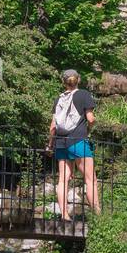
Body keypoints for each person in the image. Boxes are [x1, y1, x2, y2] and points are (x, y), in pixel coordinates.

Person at [47, 69, 100, 220]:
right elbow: (90, 119)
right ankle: (98, 216)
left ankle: (64, 215)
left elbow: (53, 126)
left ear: (63, 82)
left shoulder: (59, 99)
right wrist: (90, 128)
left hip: (61, 142)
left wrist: (50, 144)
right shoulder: (84, 94)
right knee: (90, 179)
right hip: (78, 141)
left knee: (63, 180)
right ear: (78, 80)